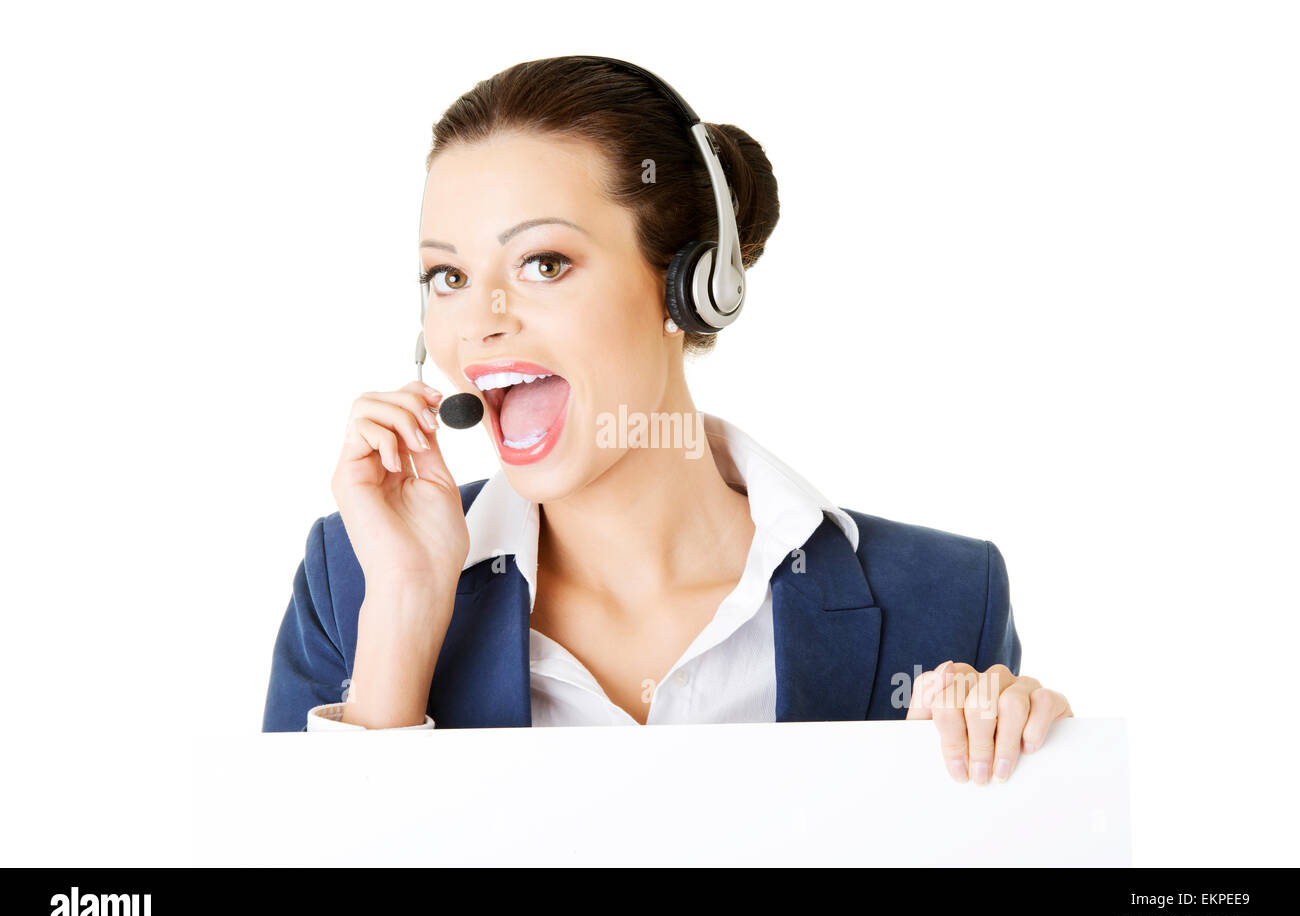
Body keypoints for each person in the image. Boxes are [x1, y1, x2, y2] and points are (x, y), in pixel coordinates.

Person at [263, 55, 1071, 786]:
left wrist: (1010, 785)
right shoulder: (356, 580)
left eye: (544, 263)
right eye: (447, 275)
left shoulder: (944, 598)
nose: (480, 321)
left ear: (688, 288)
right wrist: (403, 615)